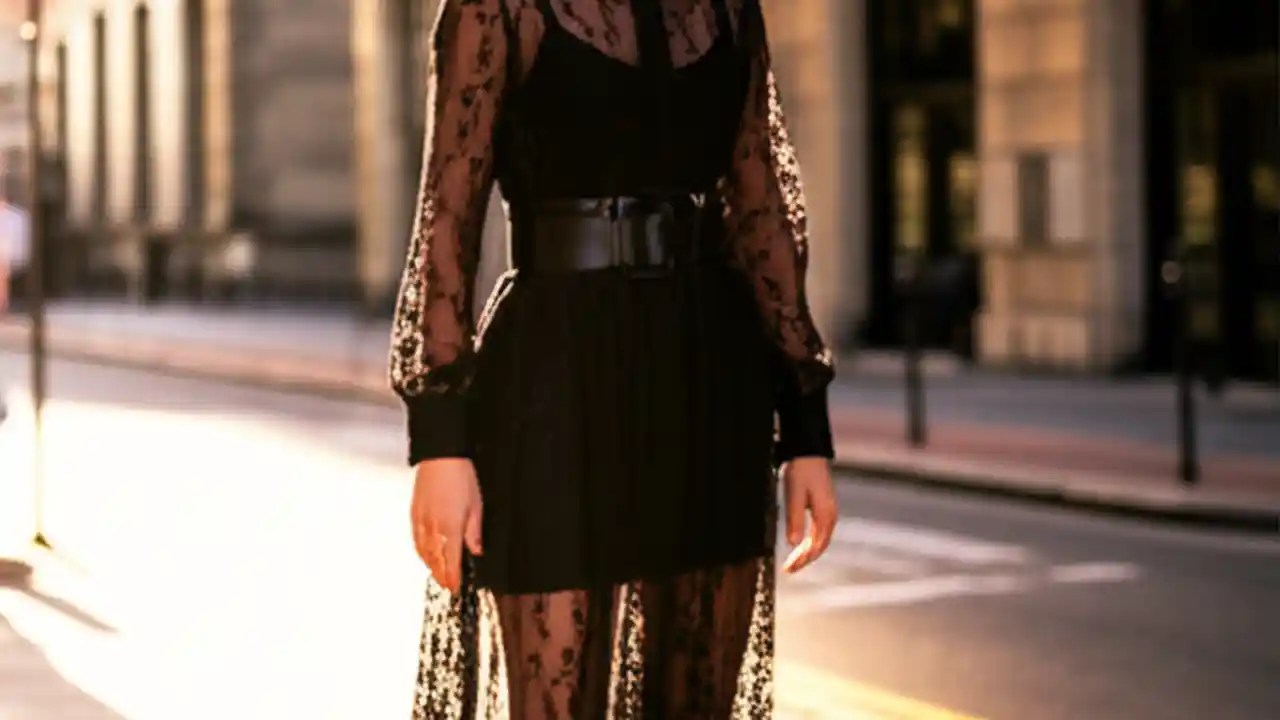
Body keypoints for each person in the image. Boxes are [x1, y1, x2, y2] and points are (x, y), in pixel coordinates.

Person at [387, 0, 838, 716]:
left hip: (707, 375)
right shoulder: (496, 6)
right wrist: (439, 438)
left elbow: (761, 206)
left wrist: (805, 429)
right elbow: (448, 213)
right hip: (553, 377)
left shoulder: (725, 8)